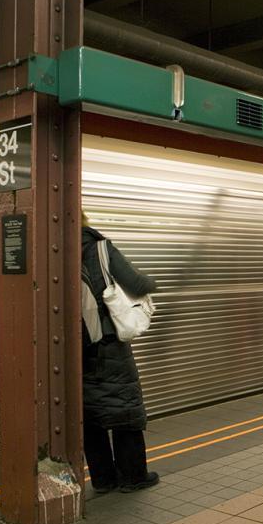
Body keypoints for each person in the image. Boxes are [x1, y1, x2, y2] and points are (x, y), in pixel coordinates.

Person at [81, 211, 159, 493]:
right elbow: (136, 284)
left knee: (89, 414)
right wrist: (151, 284)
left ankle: (103, 480)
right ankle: (133, 476)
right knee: (123, 407)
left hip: (74, 345)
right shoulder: (99, 247)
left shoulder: (51, 249)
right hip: (108, 342)